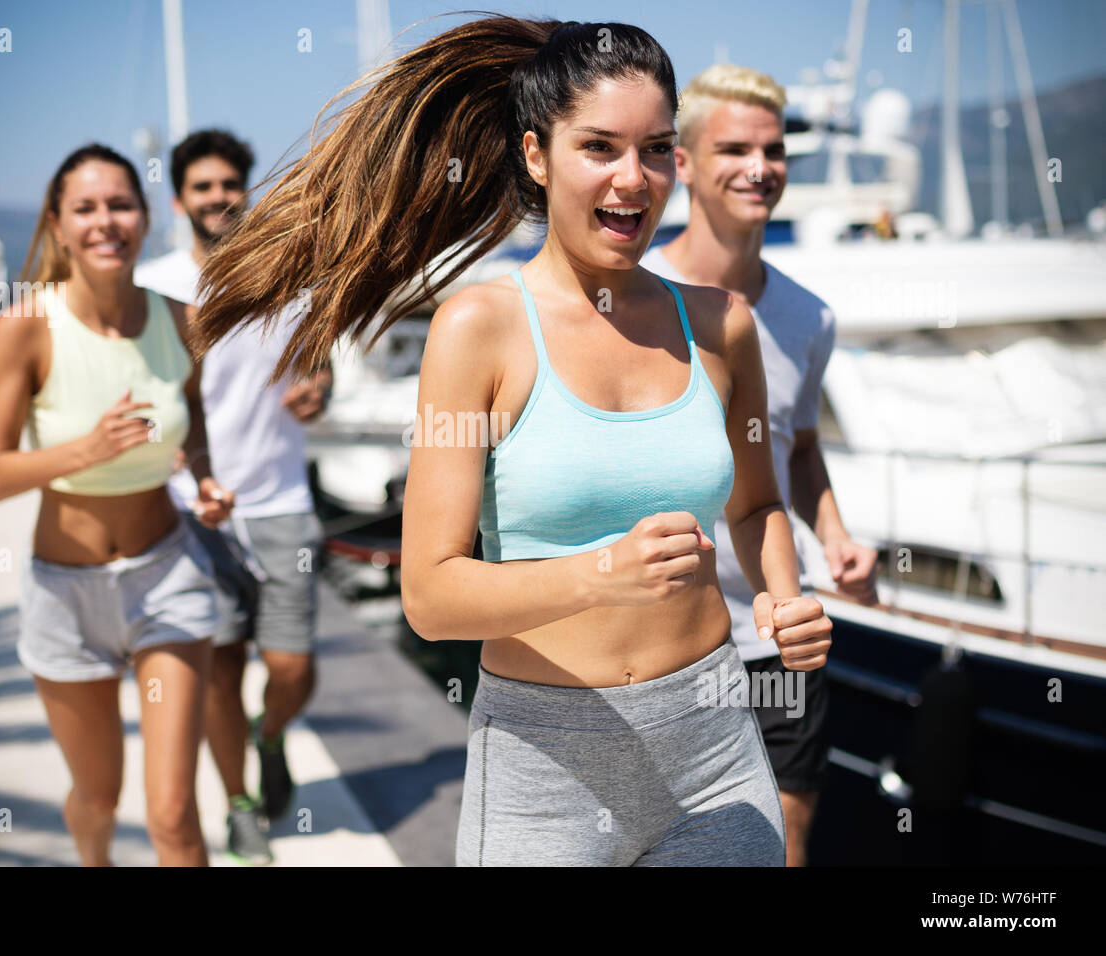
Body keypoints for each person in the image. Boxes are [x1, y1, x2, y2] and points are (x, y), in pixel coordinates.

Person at [189, 15, 833, 866]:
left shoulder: (722, 327)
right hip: (544, 768)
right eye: (599, 147)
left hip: (714, 755)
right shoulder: (480, 329)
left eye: (655, 150)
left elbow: (754, 505)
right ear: (536, 155)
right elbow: (430, 593)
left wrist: (781, 598)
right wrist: (601, 573)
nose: (632, 180)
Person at [640, 64, 880, 866]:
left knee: (784, 833)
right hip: (664, 640)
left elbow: (799, 447)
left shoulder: (808, 316)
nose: (759, 167)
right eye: (734, 148)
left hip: (778, 628)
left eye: (773, 149)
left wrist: (836, 535)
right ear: (683, 163)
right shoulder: (637, 298)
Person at [0, 143, 234, 866]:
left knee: (174, 817)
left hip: (166, 579)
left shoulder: (184, 322)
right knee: (96, 800)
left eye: (120, 204)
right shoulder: (24, 328)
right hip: (65, 593)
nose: (105, 221)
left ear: (145, 216)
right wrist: (85, 451)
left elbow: (195, 424)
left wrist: (206, 480)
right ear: (58, 225)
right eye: (85, 208)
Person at [136, 129, 331, 865]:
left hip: (281, 503)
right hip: (193, 512)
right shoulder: (156, 286)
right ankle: (241, 805)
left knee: (291, 668)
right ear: (180, 196)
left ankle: (271, 734)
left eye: (229, 184)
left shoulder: (286, 273)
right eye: (203, 186)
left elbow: (317, 369)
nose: (218, 197)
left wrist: (320, 393)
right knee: (220, 669)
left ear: (244, 189)